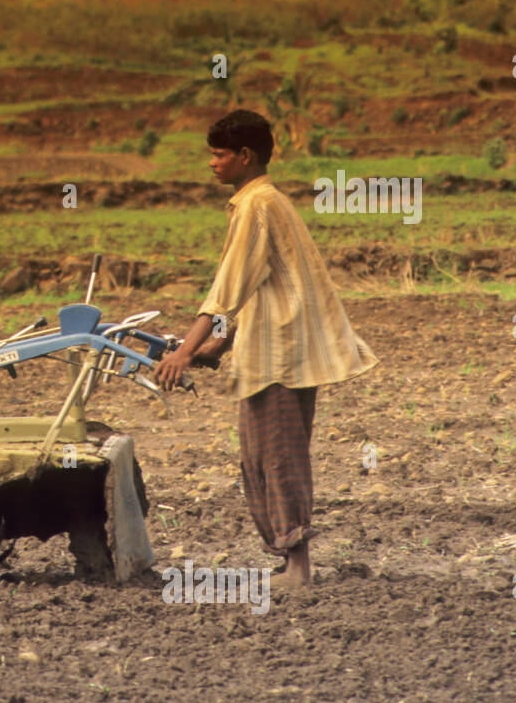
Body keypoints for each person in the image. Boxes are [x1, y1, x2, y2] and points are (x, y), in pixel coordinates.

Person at [153, 110, 378, 588]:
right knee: (263, 455)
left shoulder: (257, 205)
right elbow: (260, 287)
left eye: (218, 155)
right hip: (277, 347)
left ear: (245, 156)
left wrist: (183, 352)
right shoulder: (264, 202)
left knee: (278, 456)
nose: (212, 163)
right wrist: (217, 343)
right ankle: (289, 560)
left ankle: (298, 570)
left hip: (280, 354)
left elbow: (227, 289)